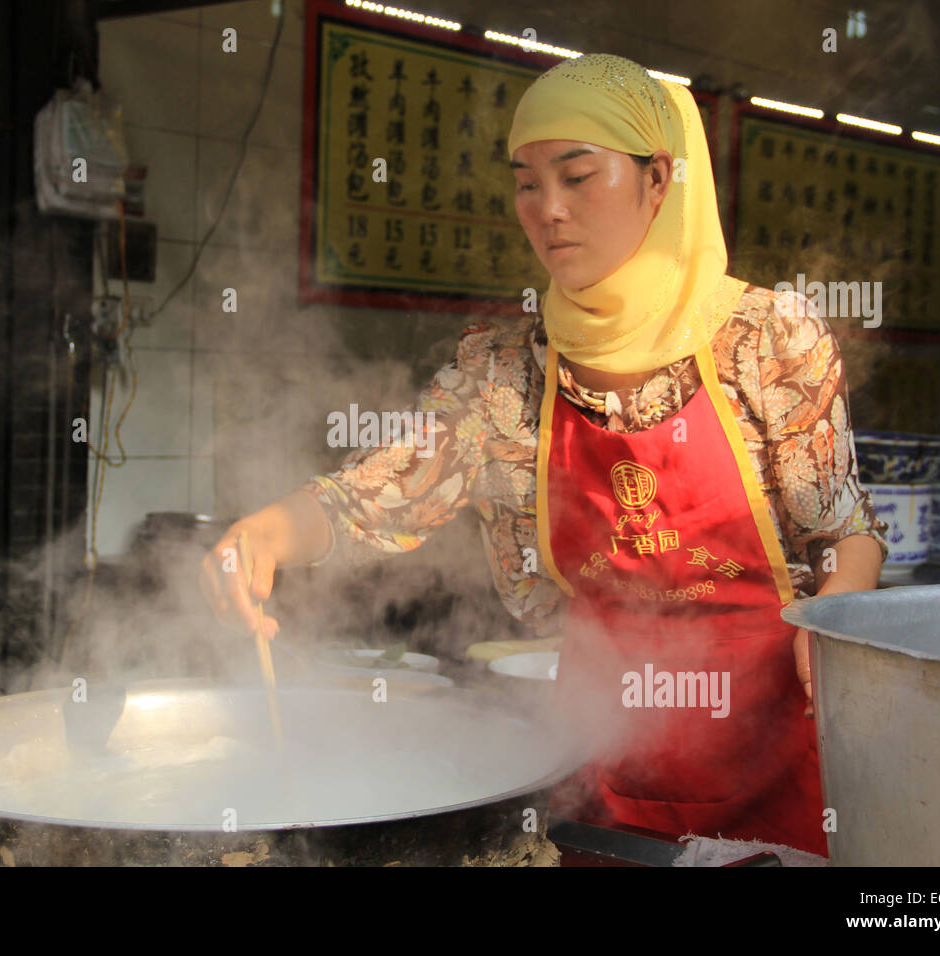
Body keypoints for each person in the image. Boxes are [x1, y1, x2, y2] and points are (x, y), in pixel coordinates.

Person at [199, 53, 886, 857]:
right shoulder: (502, 373)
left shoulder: (770, 341)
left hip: (777, 763)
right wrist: (265, 536)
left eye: (577, 175)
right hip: (603, 766)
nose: (548, 209)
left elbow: (847, 534)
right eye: (527, 181)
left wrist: (835, 625)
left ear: (658, 180)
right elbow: (373, 498)